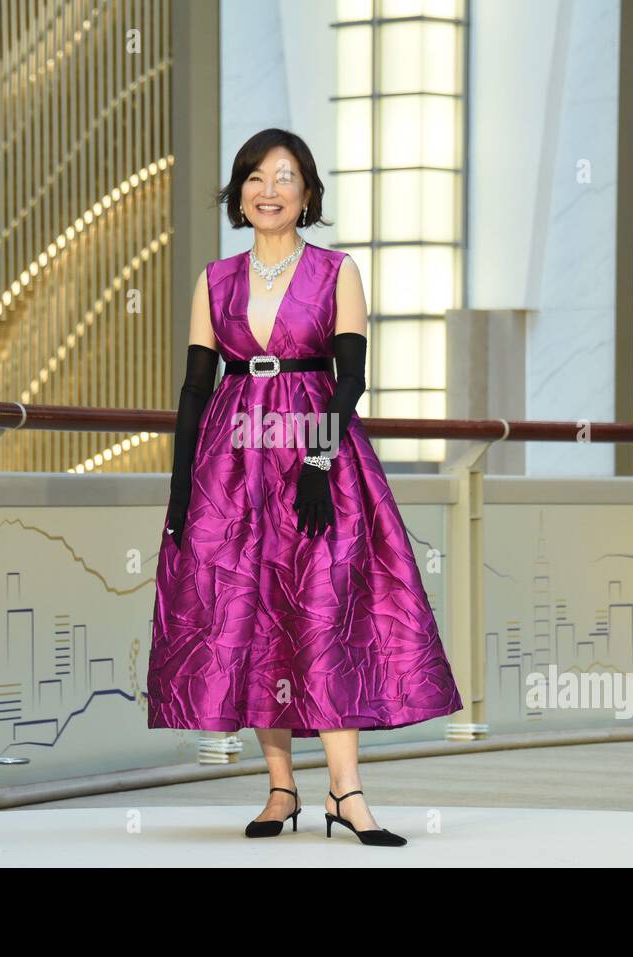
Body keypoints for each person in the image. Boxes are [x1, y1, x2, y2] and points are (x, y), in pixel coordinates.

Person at [147, 129, 463, 847]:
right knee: (255, 617)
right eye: (255, 177)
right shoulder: (214, 279)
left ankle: (346, 791)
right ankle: (281, 788)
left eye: (284, 177)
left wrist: (320, 461)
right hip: (233, 462)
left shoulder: (335, 271)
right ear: (238, 194)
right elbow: (197, 388)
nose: (269, 188)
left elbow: (349, 377)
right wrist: (179, 490)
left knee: (325, 613)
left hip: (315, 454)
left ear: (308, 194)